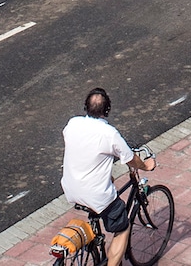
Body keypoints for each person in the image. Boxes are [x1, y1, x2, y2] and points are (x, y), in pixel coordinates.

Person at [61, 88, 155, 266]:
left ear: (85, 107)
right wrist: (146, 165)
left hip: (71, 188)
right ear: (107, 110)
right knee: (122, 228)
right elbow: (130, 159)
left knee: (101, 202)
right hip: (96, 194)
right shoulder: (109, 133)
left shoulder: (72, 124)